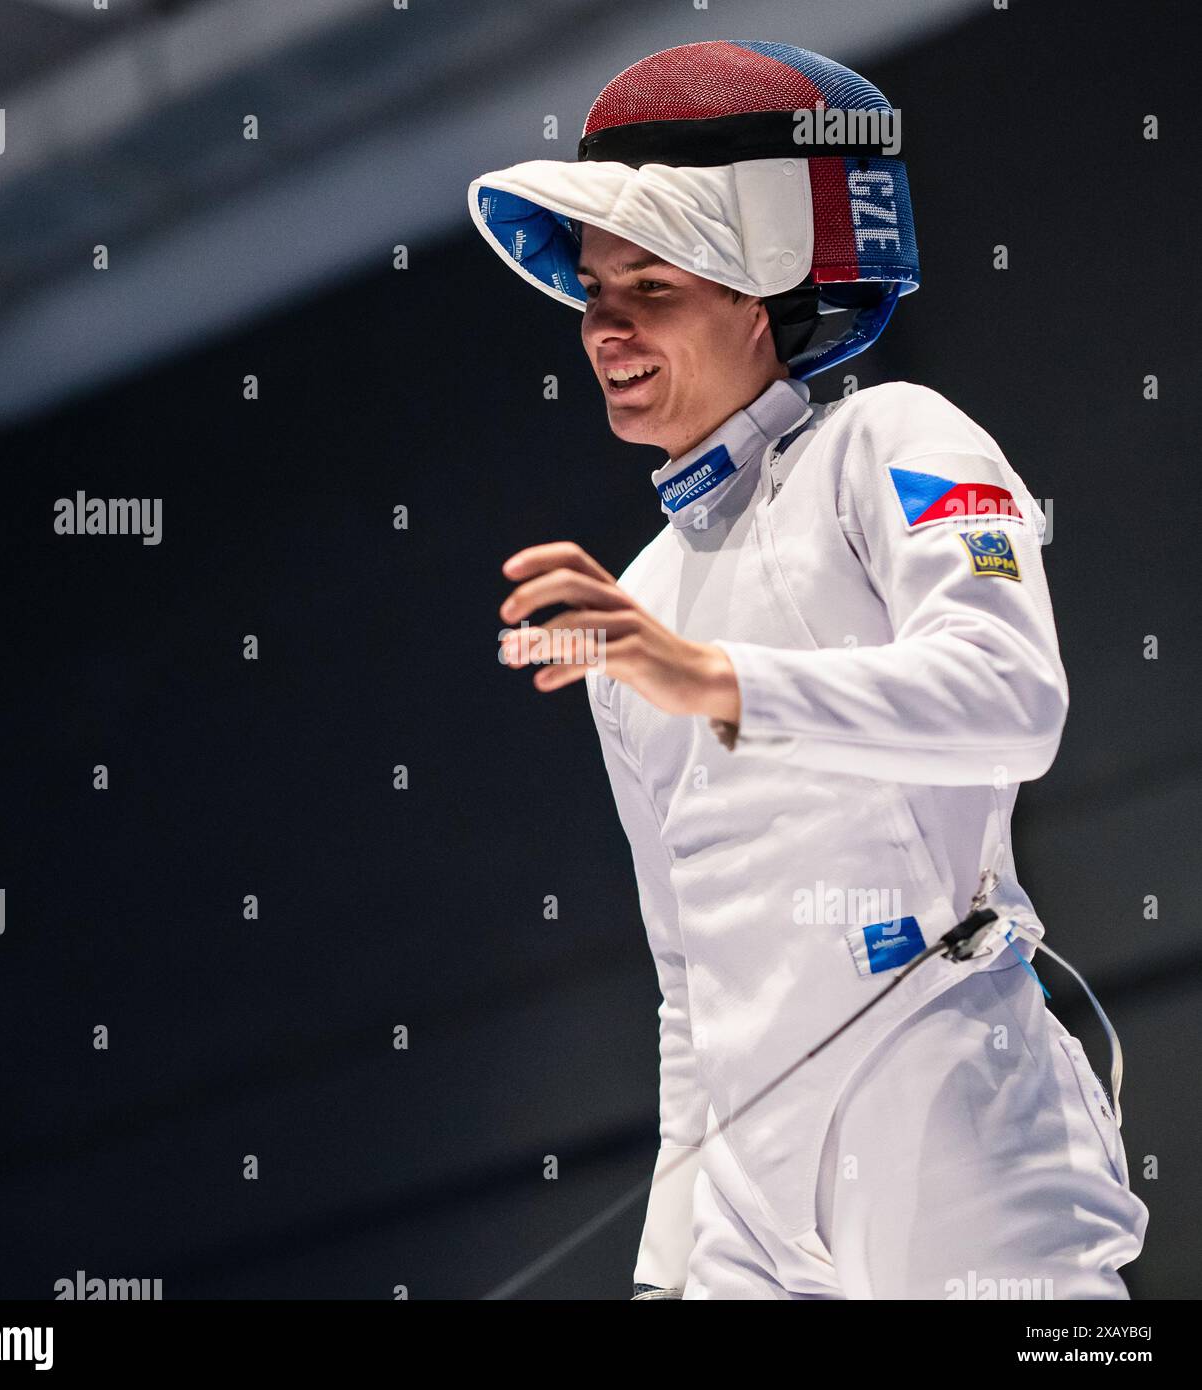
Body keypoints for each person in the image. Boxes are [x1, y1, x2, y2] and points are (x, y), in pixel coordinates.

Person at [474, 41, 1148, 1300]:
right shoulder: (641, 603)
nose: (606, 328)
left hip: (953, 1123)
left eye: (652, 286)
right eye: (596, 291)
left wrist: (715, 680)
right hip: (749, 1197)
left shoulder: (893, 440)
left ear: (763, 296)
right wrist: (669, 1265)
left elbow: (1011, 701)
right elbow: (692, 984)